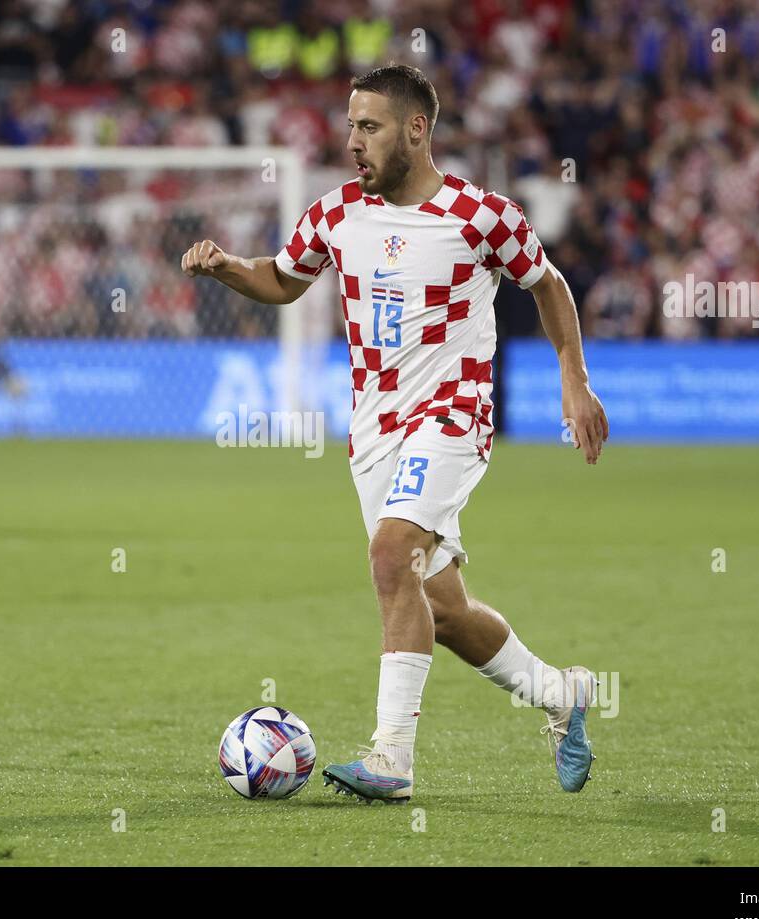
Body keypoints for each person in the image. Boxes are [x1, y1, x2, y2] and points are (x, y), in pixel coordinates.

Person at [181, 65, 609, 802]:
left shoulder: (482, 216)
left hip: (452, 415)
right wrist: (227, 270)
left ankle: (392, 759)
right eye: (350, 126)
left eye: (369, 126)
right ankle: (561, 695)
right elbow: (285, 278)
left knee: (389, 558)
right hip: (374, 431)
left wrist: (574, 378)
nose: (353, 141)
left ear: (418, 129)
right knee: (440, 610)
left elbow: (547, 283)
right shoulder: (336, 213)